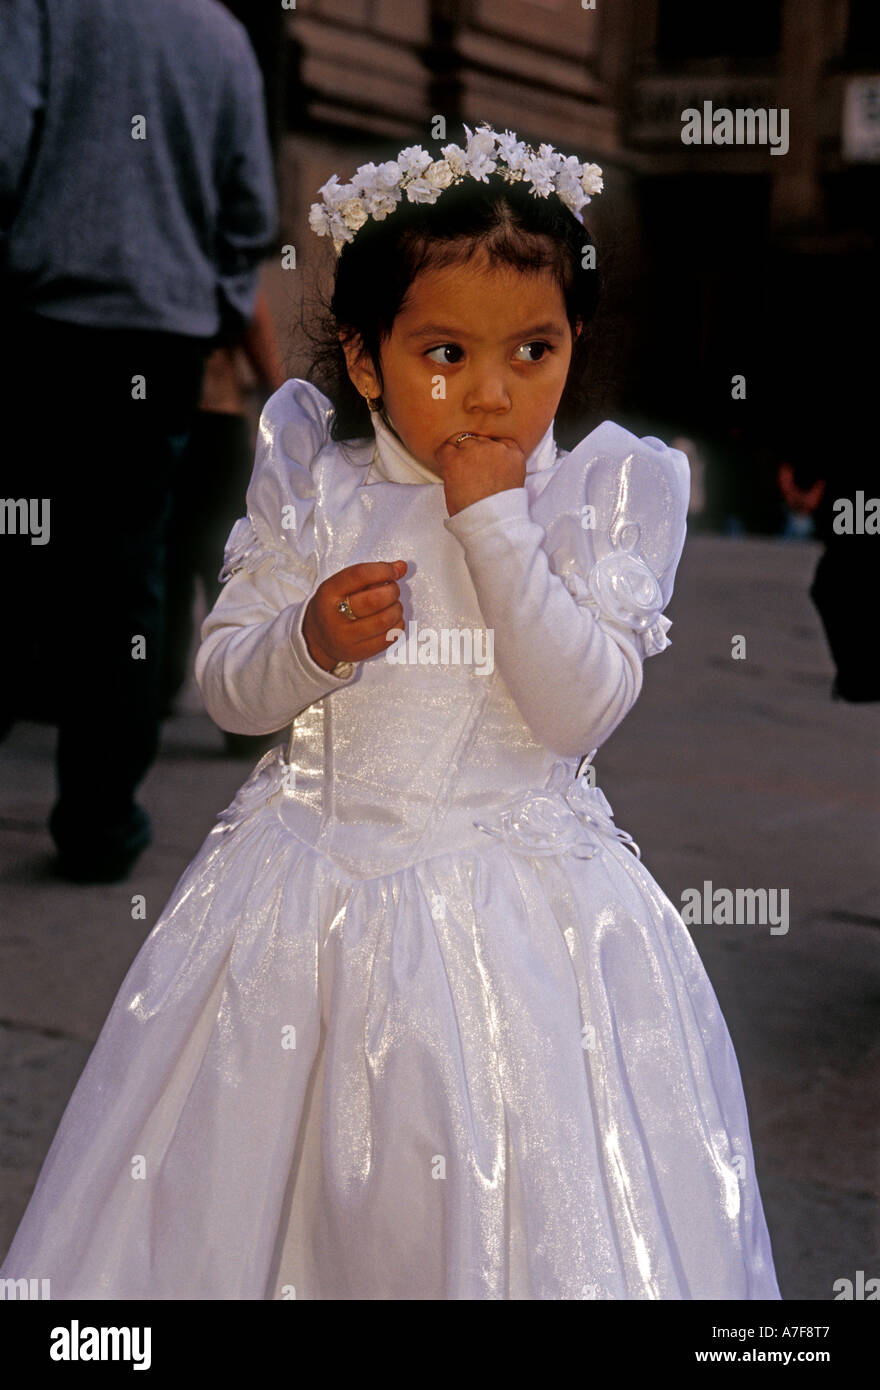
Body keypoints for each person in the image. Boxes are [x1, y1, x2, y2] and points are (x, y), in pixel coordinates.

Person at [0, 124, 781, 1299]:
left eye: (532, 349)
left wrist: (493, 524)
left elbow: (579, 707)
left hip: (524, 923)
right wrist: (306, 641)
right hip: (301, 893)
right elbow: (227, 680)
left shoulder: (593, 496)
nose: (490, 391)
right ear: (365, 363)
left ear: (574, 347)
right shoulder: (318, 483)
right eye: (443, 353)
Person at [0, 0, 278, 881]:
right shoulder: (220, 35)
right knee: (126, 578)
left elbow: (6, 142)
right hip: (160, 345)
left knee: (15, 559)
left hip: (42, 328)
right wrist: (214, 299)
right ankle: (99, 823)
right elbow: (251, 207)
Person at [160, 282, 288, 758]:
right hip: (215, 415)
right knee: (231, 564)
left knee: (160, 564)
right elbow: (251, 315)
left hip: (153, 415)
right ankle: (243, 720)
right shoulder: (217, 242)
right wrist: (282, 395)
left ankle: (151, 695)